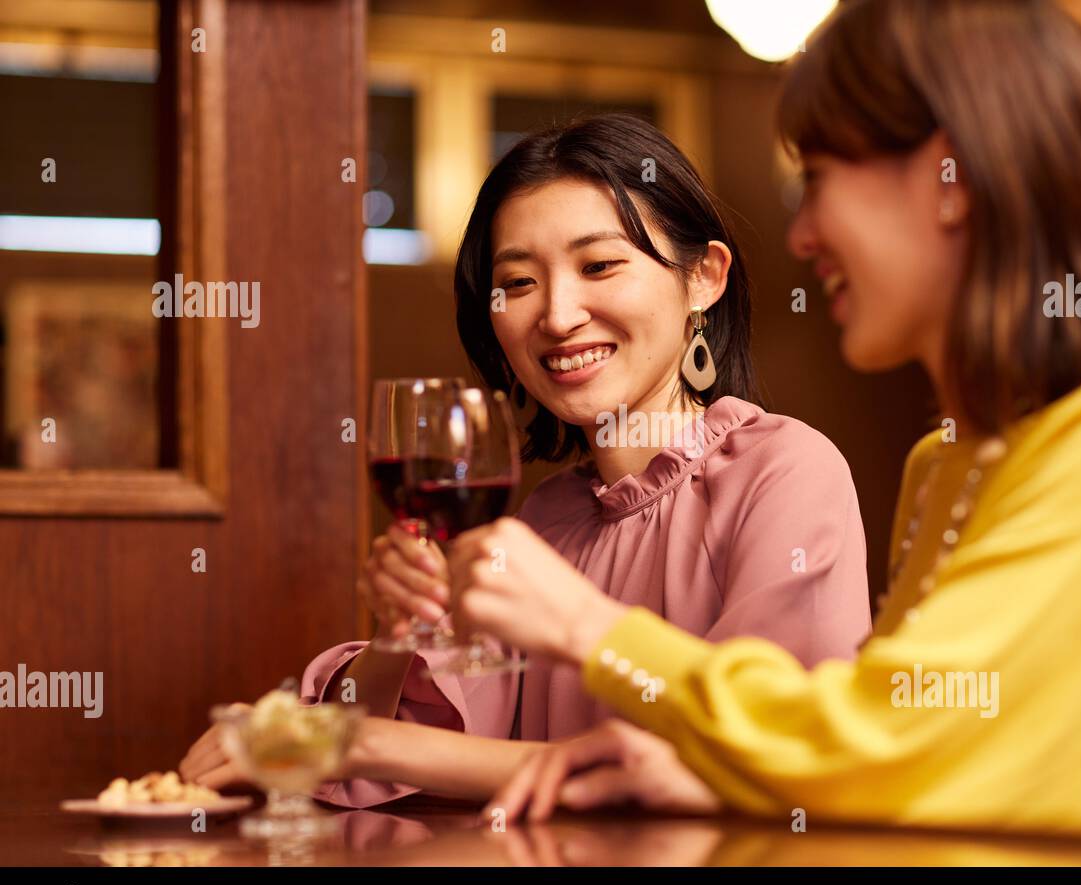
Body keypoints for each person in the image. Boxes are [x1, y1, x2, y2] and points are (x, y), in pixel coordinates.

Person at [434, 0, 1081, 840]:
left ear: (951, 178)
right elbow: (896, 741)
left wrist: (584, 624)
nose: (803, 232)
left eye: (816, 179)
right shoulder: (944, 463)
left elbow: (889, 742)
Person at [179, 114, 870, 805]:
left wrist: (358, 741)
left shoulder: (785, 473)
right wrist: (403, 634)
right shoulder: (542, 524)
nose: (559, 315)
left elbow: (760, 764)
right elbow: (392, 773)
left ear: (703, 278)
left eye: (599, 265)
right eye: (518, 281)